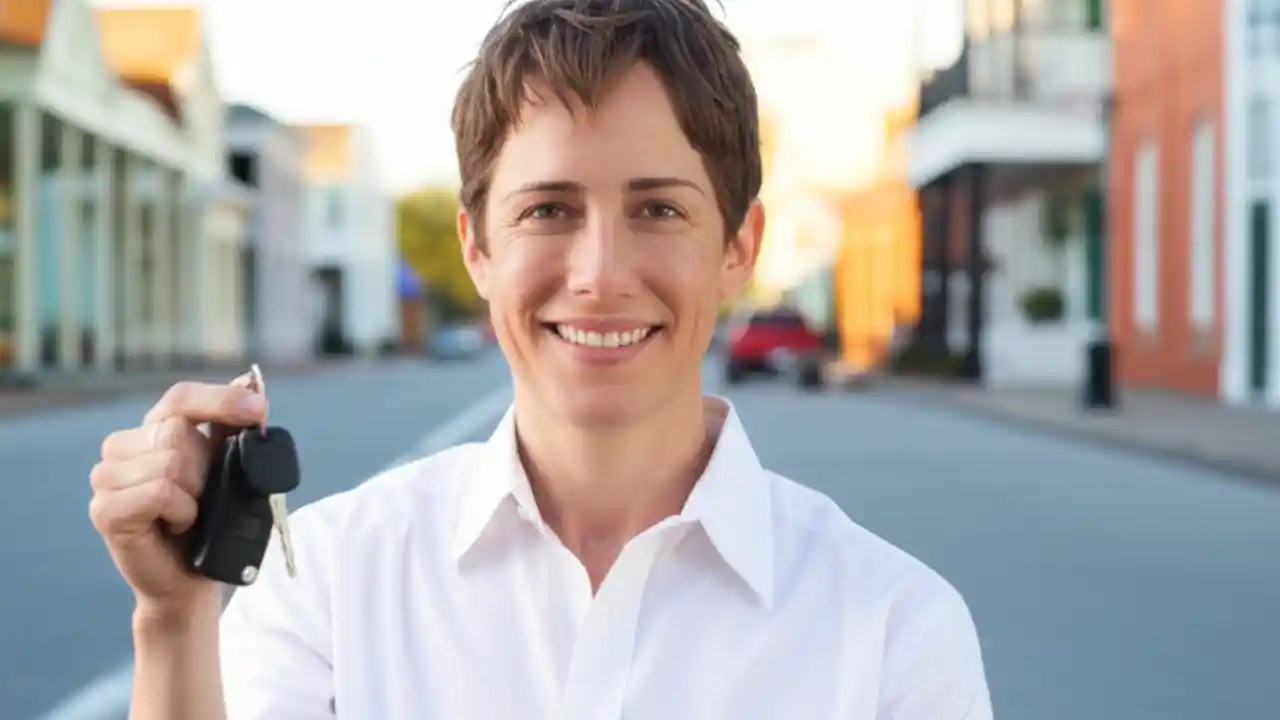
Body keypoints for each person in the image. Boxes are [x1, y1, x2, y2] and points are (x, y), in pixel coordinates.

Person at [88, 0, 993, 717]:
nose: (599, 274)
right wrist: (173, 622)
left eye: (660, 209)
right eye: (548, 209)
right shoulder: (328, 585)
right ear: (476, 247)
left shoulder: (893, 630)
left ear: (739, 248)